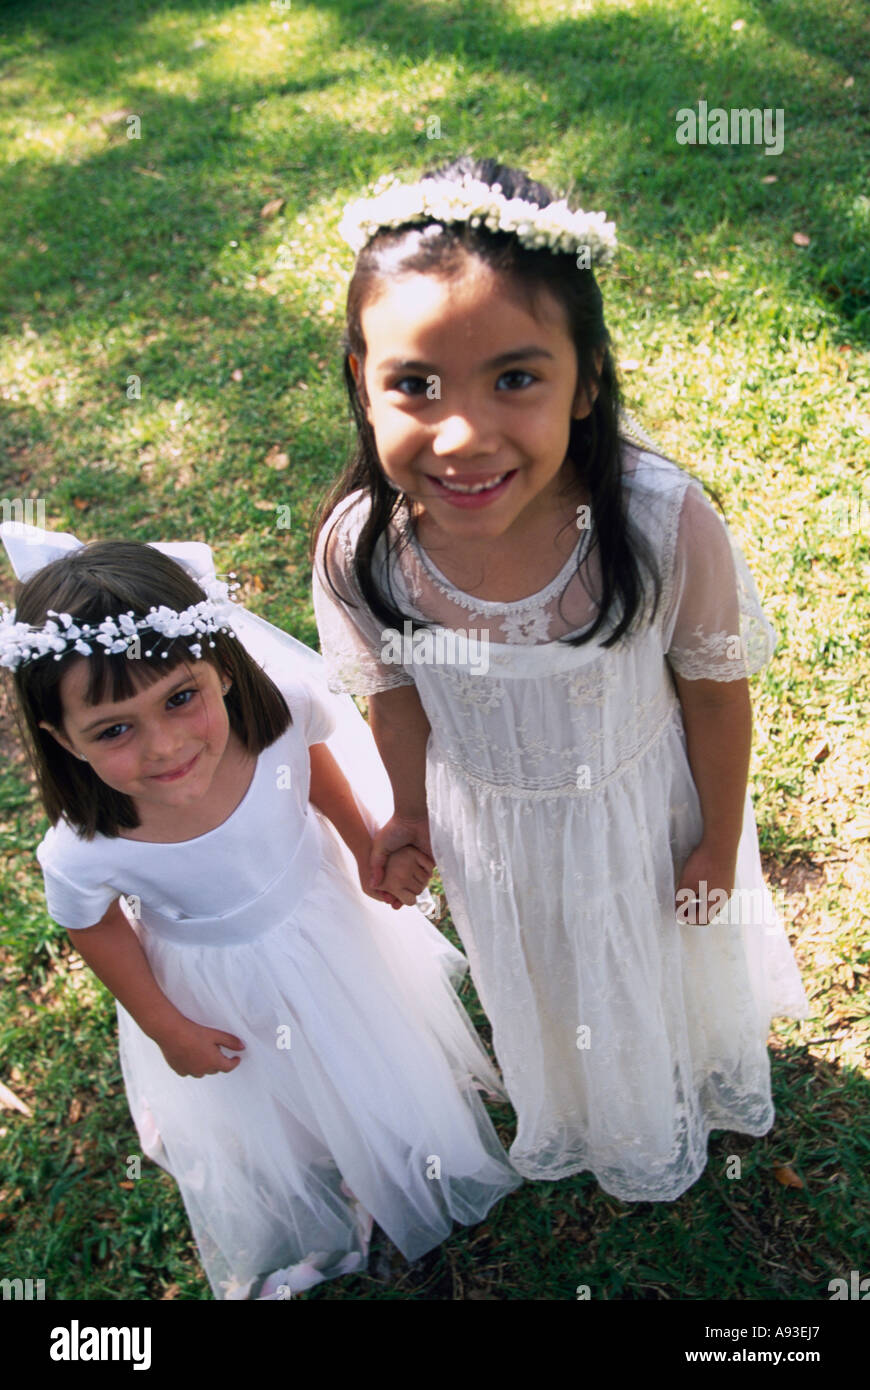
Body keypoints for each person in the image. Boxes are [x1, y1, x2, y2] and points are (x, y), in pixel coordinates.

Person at [311, 154, 809, 1204]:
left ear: (586, 379)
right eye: (414, 383)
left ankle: (669, 1089)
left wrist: (716, 841)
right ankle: (581, 1100)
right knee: (545, 973)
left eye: (515, 378)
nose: (462, 433)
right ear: (361, 376)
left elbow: (714, 691)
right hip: (492, 826)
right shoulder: (365, 546)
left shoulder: (656, 525)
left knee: (650, 966)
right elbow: (394, 689)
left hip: (641, 814)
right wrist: (408, 811)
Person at [0, 520, 521, 1299]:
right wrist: (164, 1023)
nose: (164, 746)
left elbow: (312, 775)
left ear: (220, 668)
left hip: (325, 923)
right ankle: (325, 1167)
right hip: (216, 984)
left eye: (181, 698)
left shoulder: (276, 715)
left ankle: (401, 1143)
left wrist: (362, 842)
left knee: (368, 1036)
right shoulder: (86, 847)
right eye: (114, 729)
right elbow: (91, 923)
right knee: (278, 1100)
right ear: (61, 739)